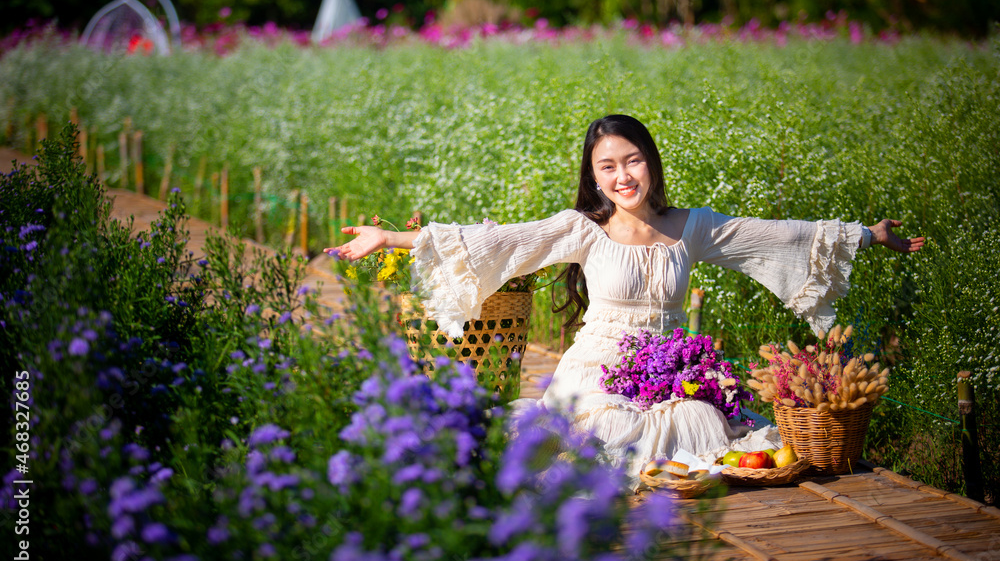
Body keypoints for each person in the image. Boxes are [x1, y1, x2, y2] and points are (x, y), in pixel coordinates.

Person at [325, 114, 924, 481]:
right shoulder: (583, 228)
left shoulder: (693, 227)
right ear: (594, 176)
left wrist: (867, 236)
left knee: (699, 428)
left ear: (651, 163)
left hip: (675, 369)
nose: (622, 176)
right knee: (601, 437)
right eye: (607, 166)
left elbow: (776, 236)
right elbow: (499, 242)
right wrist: (392, 238)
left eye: (632, 160)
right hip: (598, 364)